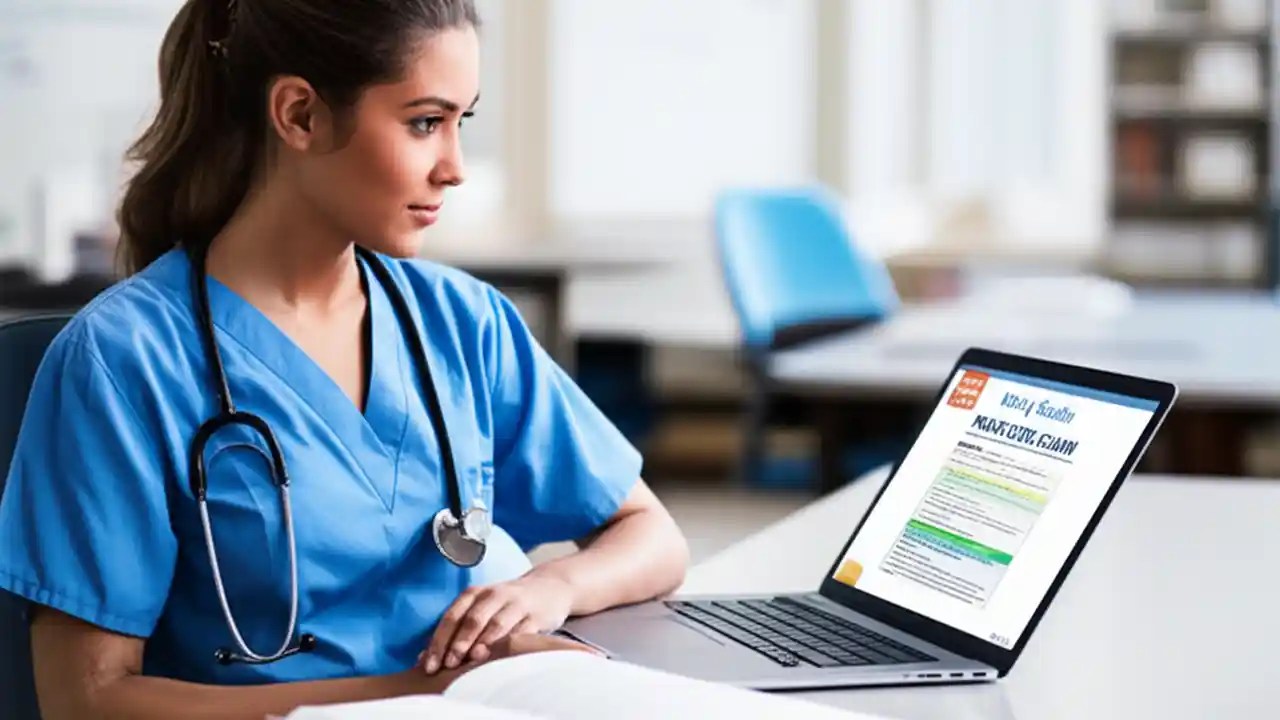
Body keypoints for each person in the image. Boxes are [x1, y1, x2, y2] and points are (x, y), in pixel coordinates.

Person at [0, 1, 689, 718]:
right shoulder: (124, 360)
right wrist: (425, 693)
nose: (454, 167)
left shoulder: (463, 323)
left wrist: (551, 590)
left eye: (464, 123)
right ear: (299, 115)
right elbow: (87, 701)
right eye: (425, 123)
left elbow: (649, 535)